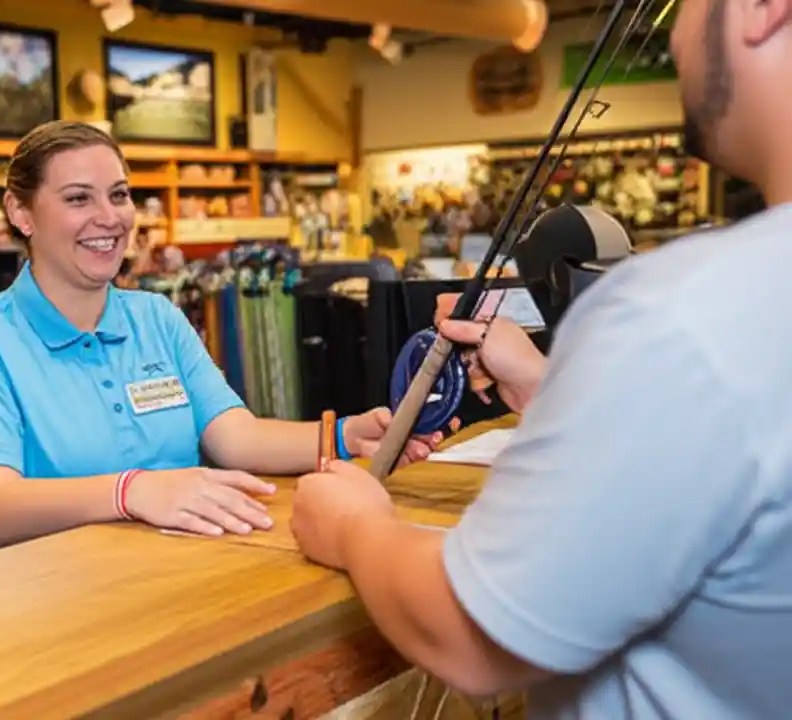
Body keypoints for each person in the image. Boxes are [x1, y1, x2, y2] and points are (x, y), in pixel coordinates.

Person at [291, 1, 792, 717]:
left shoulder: (681, 312)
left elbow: (474, 636)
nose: (671, 33)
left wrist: (354, 525)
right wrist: (563, 389)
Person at [0, 121, 442, 564]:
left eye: (119, 194)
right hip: (18, 612)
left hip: (152, 581)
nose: (110, 217)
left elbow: (235, 438)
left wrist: (350, 436)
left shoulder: (157, 318)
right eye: (78, 198)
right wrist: (135, 490)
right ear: (21, 213)